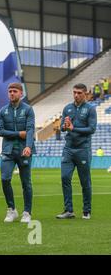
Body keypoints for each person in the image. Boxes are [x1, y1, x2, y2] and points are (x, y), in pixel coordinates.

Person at [56, 83, 97, 220]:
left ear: (85, 93)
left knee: (85, 181)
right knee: (64, 178)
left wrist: (73, 128)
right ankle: (69, 210)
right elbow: (62, 127)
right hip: (68, 149)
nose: (76, 95)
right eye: (74, 92)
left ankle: (86, 210)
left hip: (83, 149)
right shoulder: (67, 108)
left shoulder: (90, 109)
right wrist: (65, 126)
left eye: (79, 93)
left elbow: (91, 129)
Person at [0, 82, 35, 223]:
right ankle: (11, 209)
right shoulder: (3, 111)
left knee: (26, 183)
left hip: (24, 150)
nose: (12, 93)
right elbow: (0, 131)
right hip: (8, 150)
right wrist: (19, 133)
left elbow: (30, 129)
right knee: (5, 179)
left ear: (21, 93)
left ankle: (27, 212)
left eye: (14, 91)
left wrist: (28, 146)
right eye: (10, 91)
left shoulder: (28, 110)